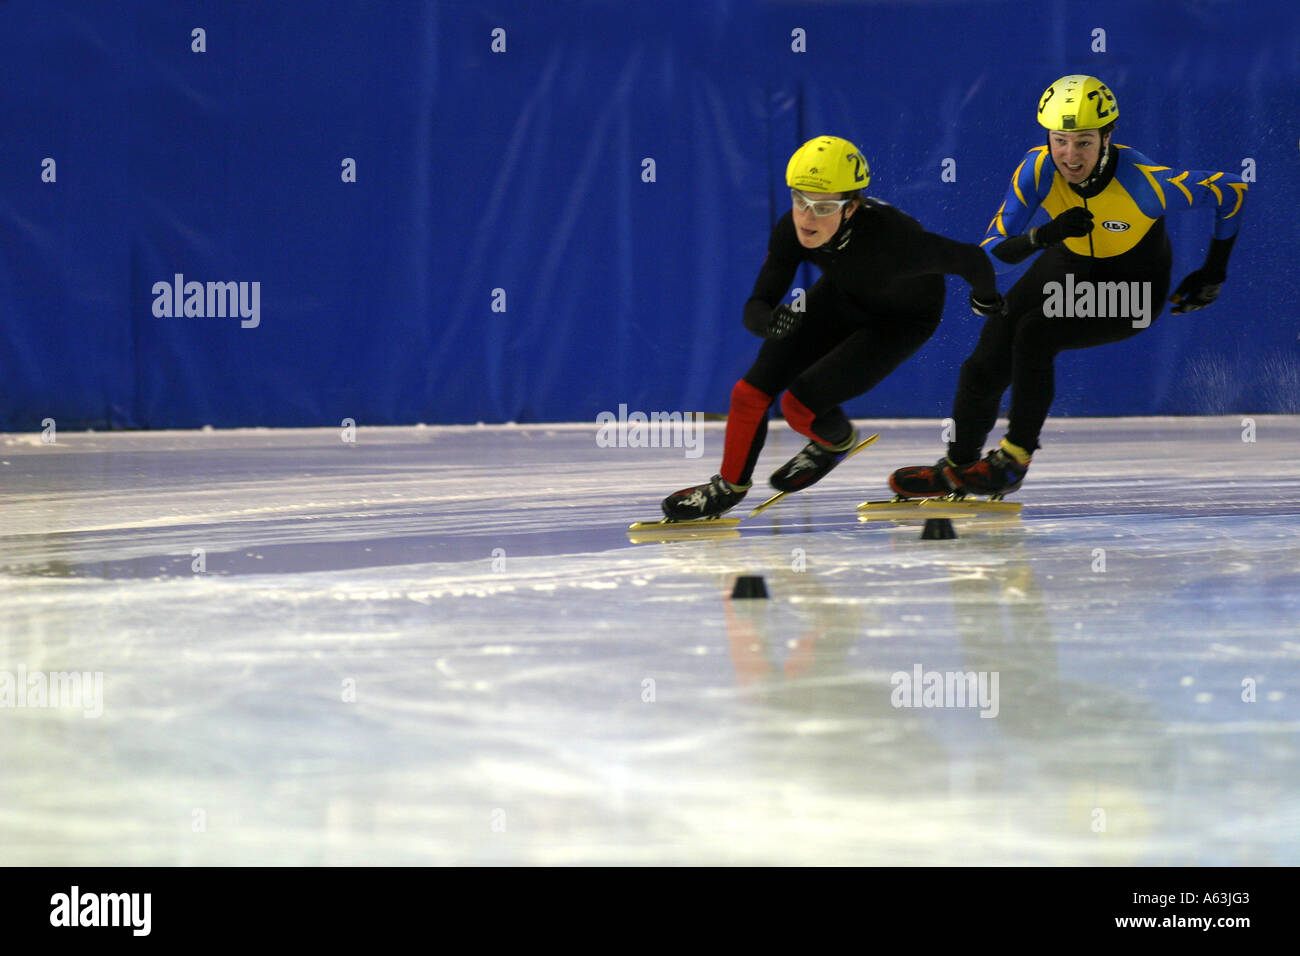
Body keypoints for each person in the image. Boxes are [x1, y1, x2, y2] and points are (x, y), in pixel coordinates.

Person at [890, 74, 1248, 499]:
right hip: (1066, 263)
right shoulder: (1037, 170)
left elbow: (1232, 190)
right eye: (1060, 140)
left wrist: (1213, 272)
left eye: (1083, 141)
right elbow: (990, 257)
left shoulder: (1147, 186)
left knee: (1036, 332)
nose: (1070, 156)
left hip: (1132, 287)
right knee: (984, 363)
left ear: (1108, 137)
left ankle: (1012, 461)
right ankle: (959, 468)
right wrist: (1042, 236)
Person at [660, 135, 1004, 520]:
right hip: (843, 296)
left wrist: (986, 300)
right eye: (800, 201)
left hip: (902, 320)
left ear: (852, 208)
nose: (808, 217)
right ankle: (728, 487)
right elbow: (757, 304)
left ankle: (835, 441)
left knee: (798, 404)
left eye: (823, 207)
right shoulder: (791, 229)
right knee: (749, 393)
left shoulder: (895, 240)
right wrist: (767, 323)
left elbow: (972, 260)